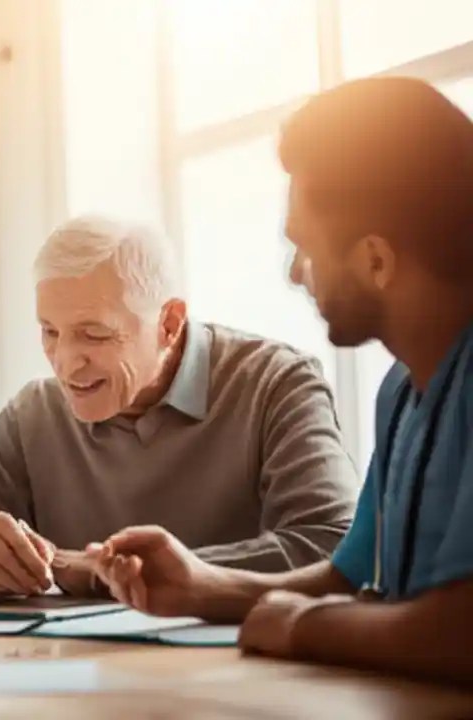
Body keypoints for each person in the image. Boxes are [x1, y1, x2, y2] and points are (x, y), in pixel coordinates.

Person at [84, 77, 473, 688]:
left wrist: (303, 629)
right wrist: (200, 586)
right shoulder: (401, 390)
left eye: (307, 249)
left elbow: (460, 631)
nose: (296, 273)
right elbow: (343, 579)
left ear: (376, 260)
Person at [0, 216, 358, 599]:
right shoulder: (36, 412)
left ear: (169, 323)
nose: (66, 363)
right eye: (50, 331)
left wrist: (116, 572)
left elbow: (331, 544)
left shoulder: (276, 384)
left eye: (93, 333)